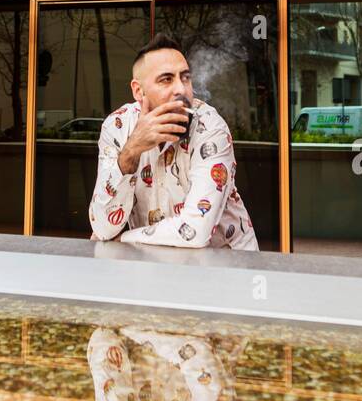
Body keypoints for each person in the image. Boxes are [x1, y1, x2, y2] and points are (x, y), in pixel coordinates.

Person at [88, 34, 259, 249]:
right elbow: (103, 228)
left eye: (185, 77)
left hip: (225, 264)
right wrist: (131, 151)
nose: (181, 89)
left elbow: (195, 231)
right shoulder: (117, 127)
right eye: (166, 79)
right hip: (154, 265)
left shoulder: (209, 127)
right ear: (138, 91)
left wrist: (125, 238)